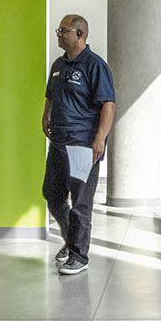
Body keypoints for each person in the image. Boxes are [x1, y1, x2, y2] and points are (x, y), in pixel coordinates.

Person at [43, 14, 115, 275]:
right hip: (59, 142)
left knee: (80, 203)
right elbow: (51, 95)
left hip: (83, 144)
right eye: (59, 30)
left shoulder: (95, 65)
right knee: (52, 195)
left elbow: (109, 103)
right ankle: (71, 240)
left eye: (64, 30)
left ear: (80, 34)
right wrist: (45, 114)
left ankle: (79, 255)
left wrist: (99, 138)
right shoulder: (59, 64)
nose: (59, 34)